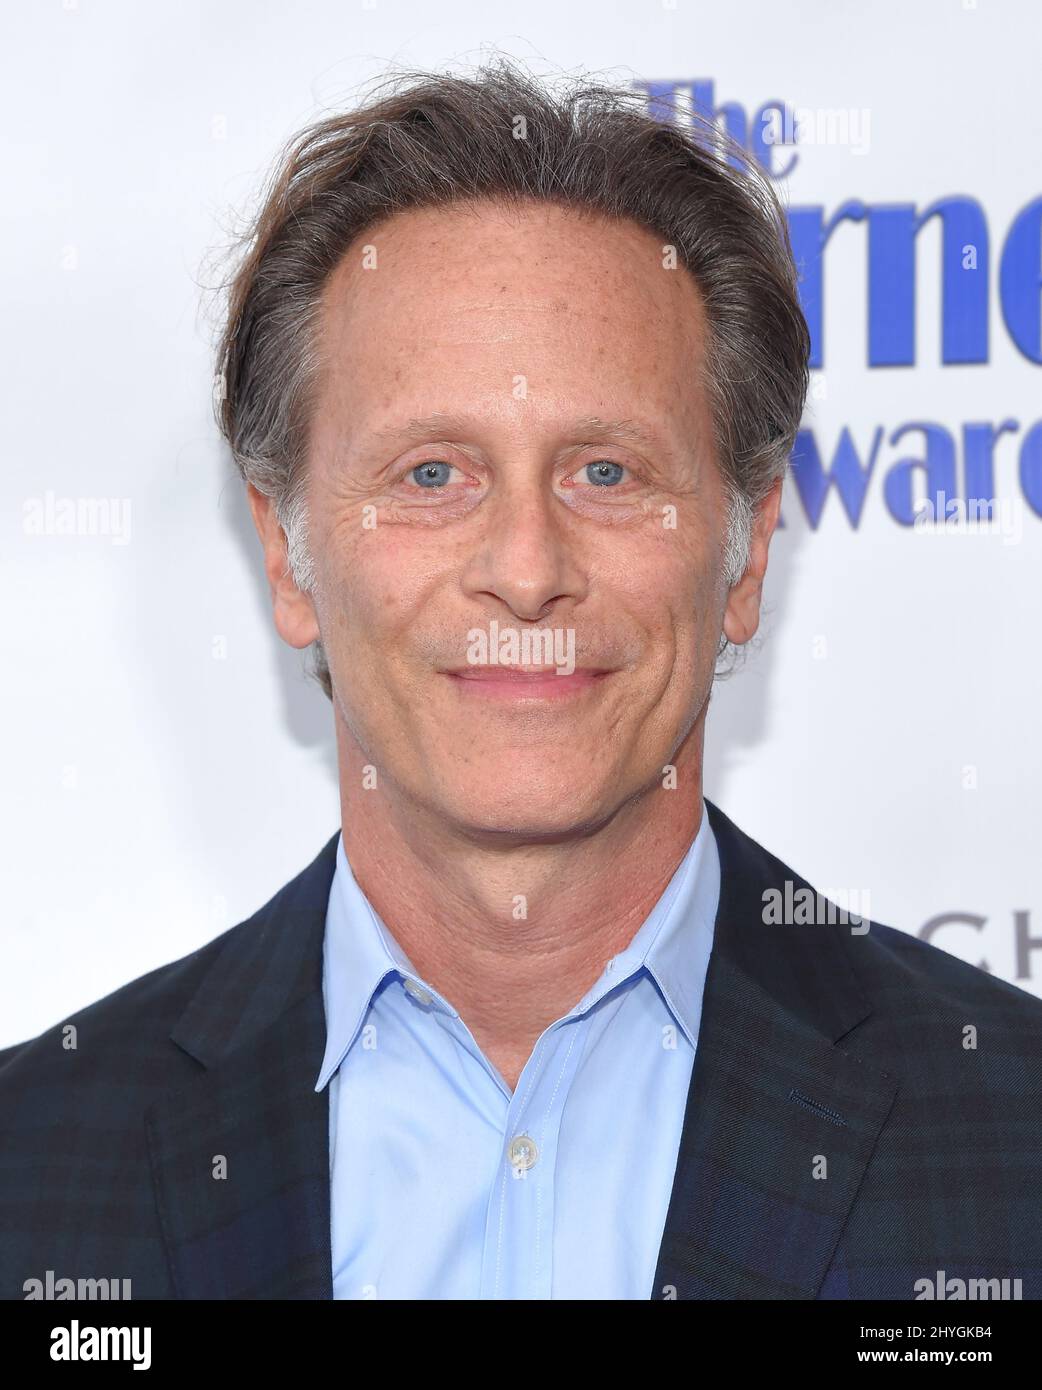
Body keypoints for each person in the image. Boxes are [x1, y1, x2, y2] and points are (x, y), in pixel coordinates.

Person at [4, 58, 1041, 1301]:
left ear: (747, 549)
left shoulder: (1012, 1131)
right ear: (285, 551)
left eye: (606, 472)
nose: (526, 568)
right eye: (432, 475)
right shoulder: (36, 1163)